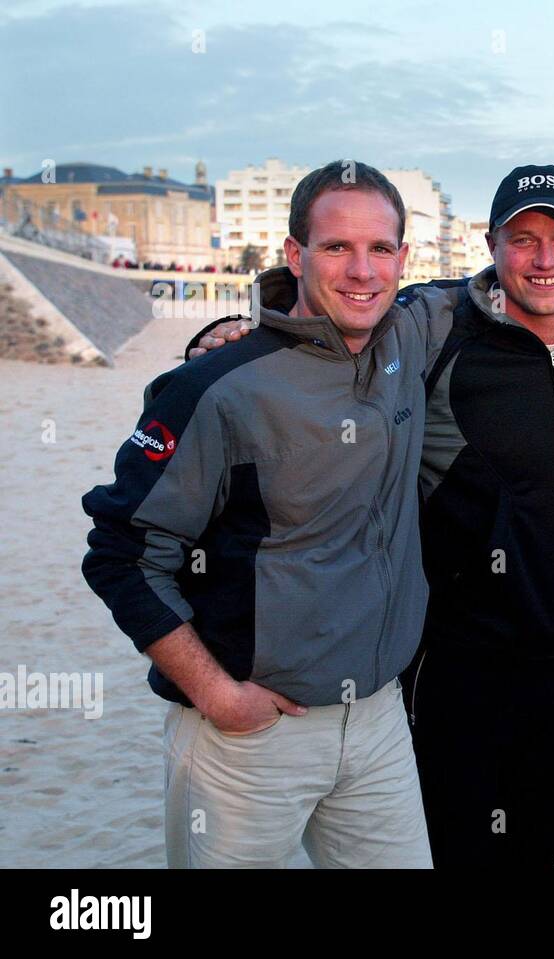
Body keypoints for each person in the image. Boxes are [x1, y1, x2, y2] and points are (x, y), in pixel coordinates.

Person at [189, 165, 554, 869]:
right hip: (450, 671)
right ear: (490, 245)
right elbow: (332, 329)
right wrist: (242, 334)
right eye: (523, 240)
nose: (544, 259)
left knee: (533, 853)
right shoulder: (435, 332)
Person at [82, 161, 449, 868]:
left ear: (404, 258)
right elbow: (121, 552)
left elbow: (516, 286)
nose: (362, 270)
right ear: (295, 255)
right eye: (337, 247)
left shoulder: (409, 335)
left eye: (380, 248)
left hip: (377, 723)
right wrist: (218, 695)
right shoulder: (215, 387)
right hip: (251, 732)